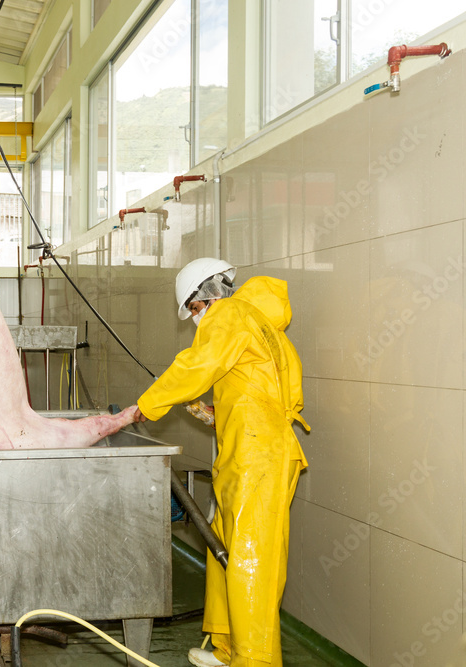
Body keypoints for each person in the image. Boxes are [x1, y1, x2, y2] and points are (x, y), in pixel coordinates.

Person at [130, 258, 309, 667]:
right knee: (224, 546)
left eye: (194, 310)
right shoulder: (254, 322)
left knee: (251, 558)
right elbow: (257, 390)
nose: (195, 320)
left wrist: (146, 406)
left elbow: (197, 365)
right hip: (249, 451)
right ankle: (230, 648)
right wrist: (215, 412)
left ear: (208, 295)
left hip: (257, 456)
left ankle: (255, 661)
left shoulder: (228, 314)